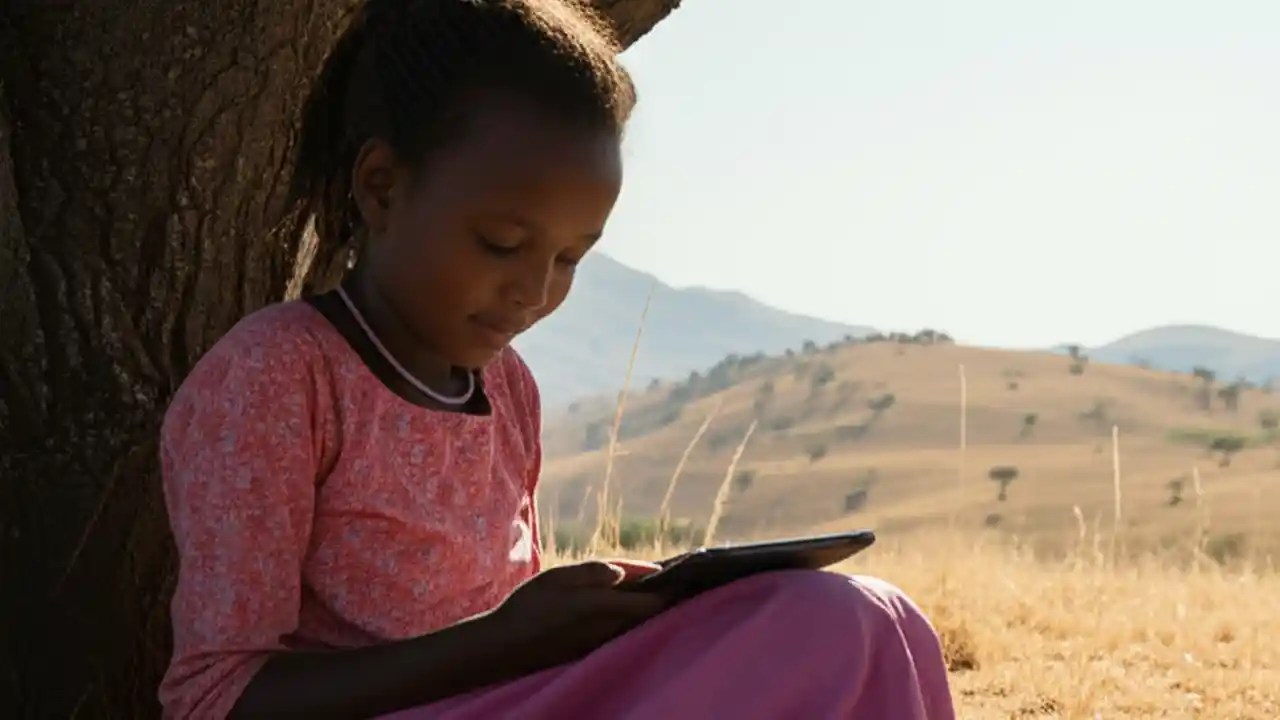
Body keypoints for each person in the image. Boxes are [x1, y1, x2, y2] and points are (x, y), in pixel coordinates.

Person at [158, 1, 958, 718]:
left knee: (858, 618)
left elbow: (512, 645)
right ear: (381, 187)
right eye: (501, 245)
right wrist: (504, 641)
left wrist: (590, 615)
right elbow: (215, 697)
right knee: (835, 630)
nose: (534, 292)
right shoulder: (276, 376)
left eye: (572, 257)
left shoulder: (506, 390)